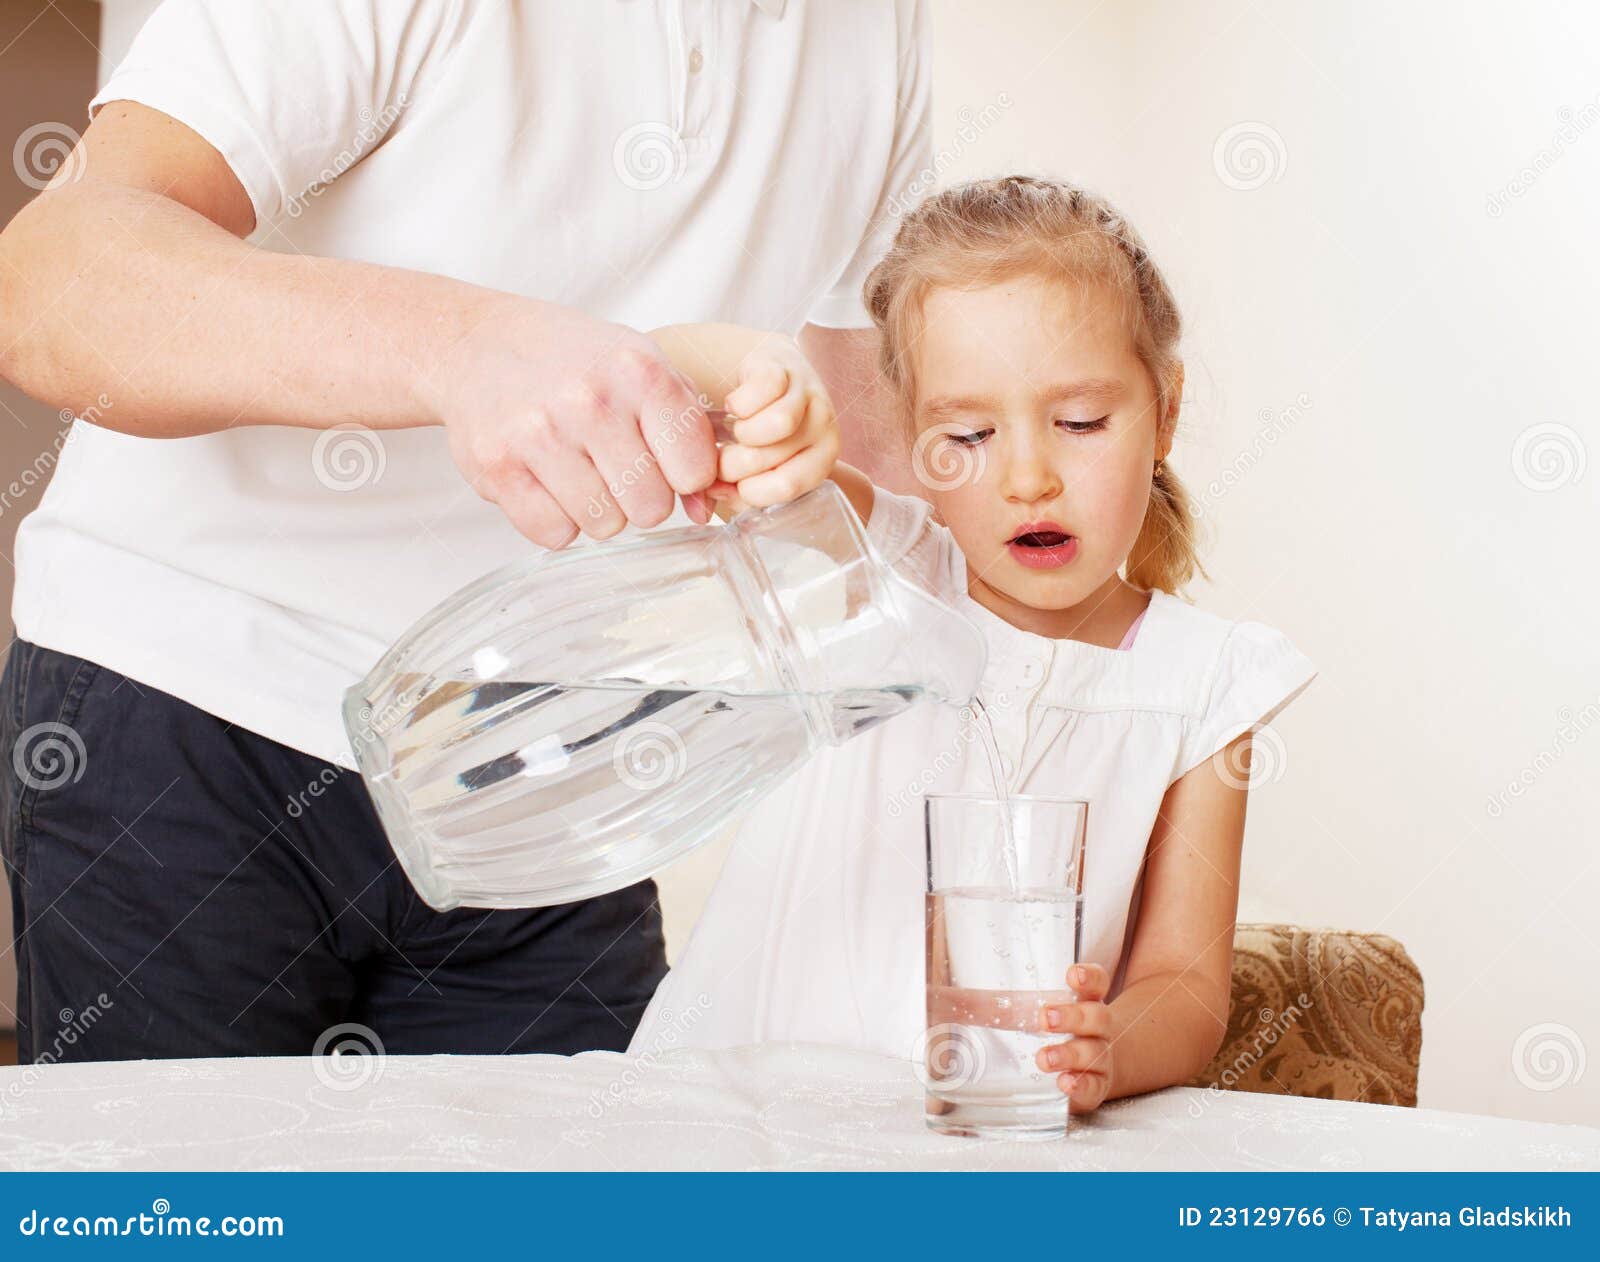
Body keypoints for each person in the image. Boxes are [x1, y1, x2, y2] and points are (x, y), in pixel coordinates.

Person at [0, 0, 928, 1062]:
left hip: (548, 759)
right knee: (192, 1175)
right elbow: (49, 286)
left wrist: (777, 448)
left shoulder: (879, 30)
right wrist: (464, 349)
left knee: (571, 1166)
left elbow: (887, 478)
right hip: (188, 704)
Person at [636, 176, 1319, 1113]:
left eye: (1080, 423)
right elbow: (649, 377)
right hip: (730, 1115)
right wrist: (762, 375)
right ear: (914, 440)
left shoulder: (1209, 683)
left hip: (981, 1138)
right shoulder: (875, 567)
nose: (1029, 477)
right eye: (968, 434)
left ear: (1164, 413)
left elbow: (1186, 984)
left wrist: (1107, 1049)